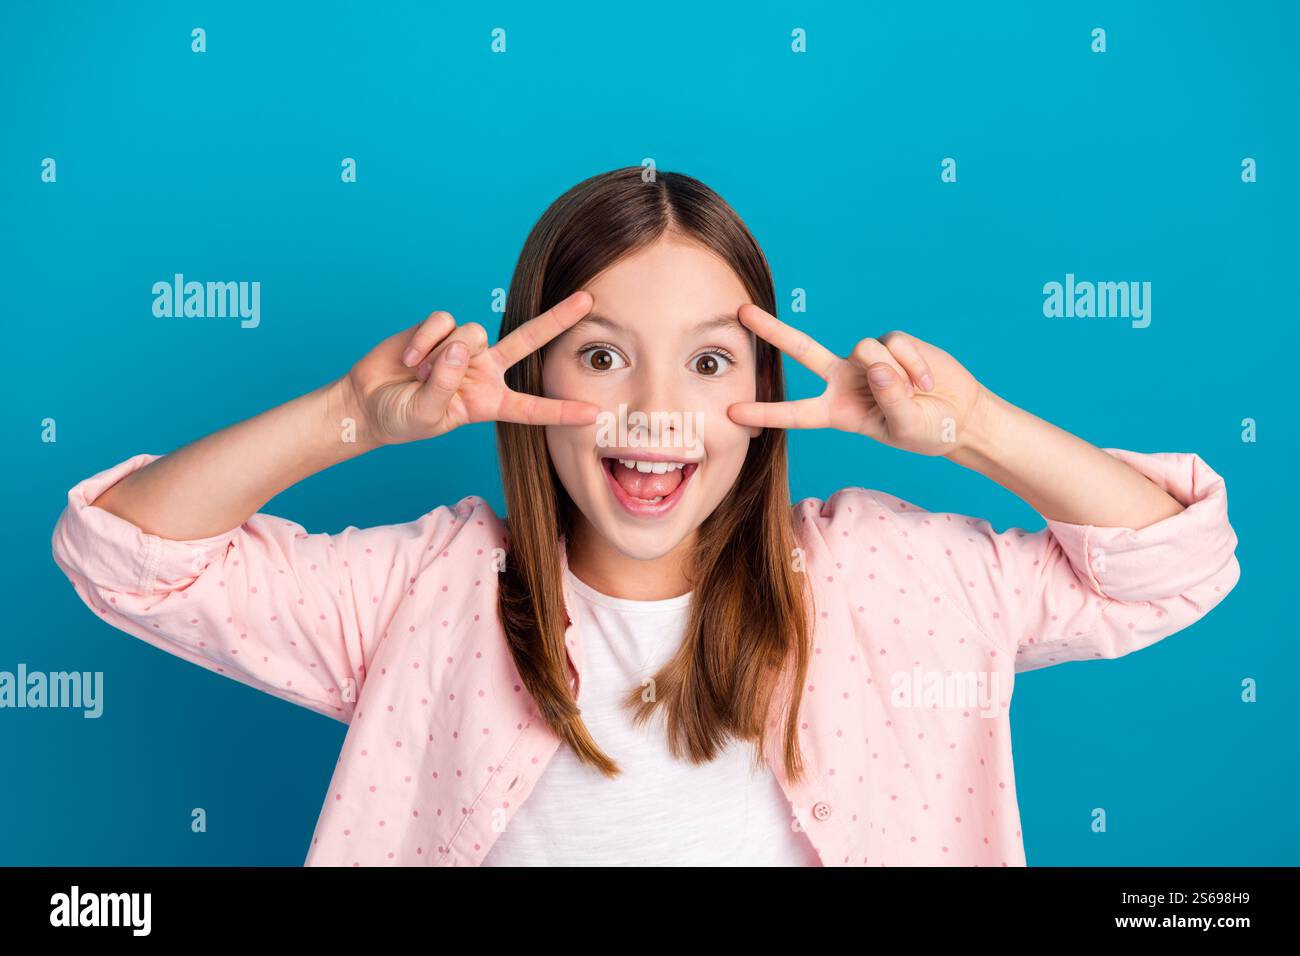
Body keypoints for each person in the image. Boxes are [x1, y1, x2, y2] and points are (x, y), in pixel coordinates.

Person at [50, 166, 1241, 866]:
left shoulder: (893, 575)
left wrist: (973, 428)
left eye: (712, 363)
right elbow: (131, 558)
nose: (658, 410)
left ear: (765, 392)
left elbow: (1171, 564)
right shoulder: (430, 591)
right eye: (604, 355)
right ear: (529, 382)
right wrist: (347, 421)